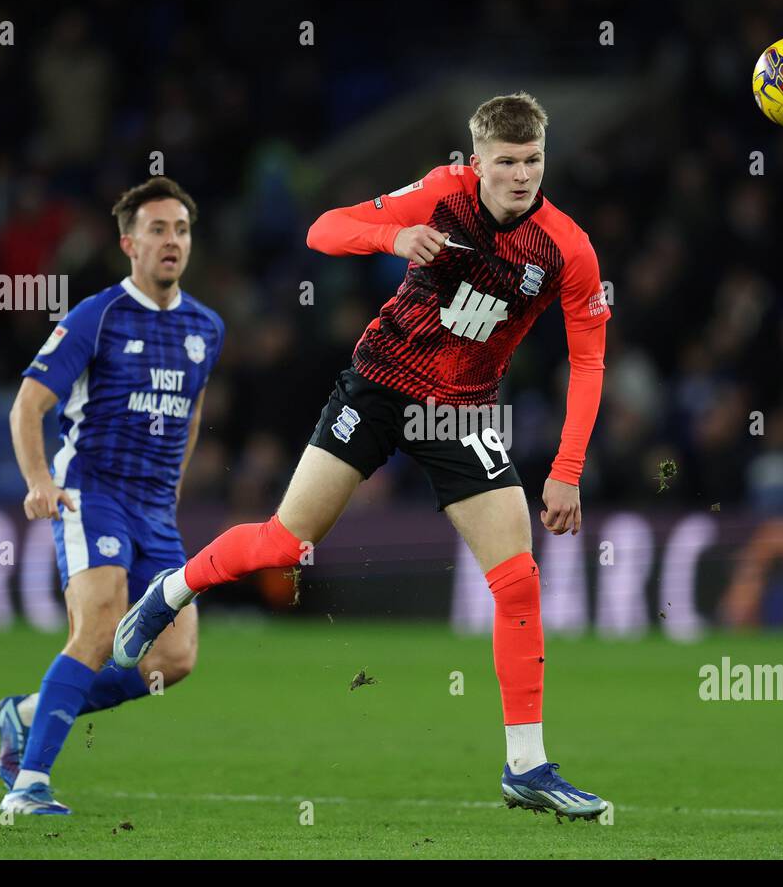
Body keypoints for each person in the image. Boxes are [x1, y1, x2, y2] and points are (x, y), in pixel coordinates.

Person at [116, 92, 611, 820]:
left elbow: (590, 360)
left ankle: (526, 766)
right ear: (477, 162)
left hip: (461, 411)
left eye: (532, 161)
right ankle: (171, 591)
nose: (520, 175)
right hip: (378, 385)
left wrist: (565, 471)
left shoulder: (567, 246)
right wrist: (394, 239)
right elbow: (324, 229)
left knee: (518, 578)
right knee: (286, 541)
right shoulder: (441, 195)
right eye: (505, 162)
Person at [0, 177, 223, 816]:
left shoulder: (206, 327)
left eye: (180, 229)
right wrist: (40, 482)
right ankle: (28, 787)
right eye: (157, 229)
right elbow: (27, 406)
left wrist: (173, 491)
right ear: (129, 243)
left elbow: (192, 412)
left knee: (173, 660)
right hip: (90, 494)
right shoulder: (96, 317)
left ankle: (28, 713)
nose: (171, 240)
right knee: (98, 627)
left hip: (154, 510)